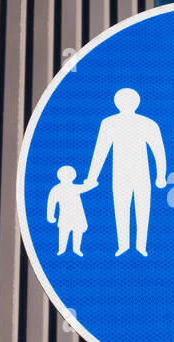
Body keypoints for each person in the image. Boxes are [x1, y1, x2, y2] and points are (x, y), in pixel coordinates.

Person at [85, 88, 167, 256]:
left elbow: (159, 151)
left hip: (141, 175)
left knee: (141, 209)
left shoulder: (148, 124)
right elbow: (100, 152)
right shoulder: (109, 123)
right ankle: (123, 245)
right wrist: (92, 177)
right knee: (122, 209)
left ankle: (141, 246)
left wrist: (161, 176)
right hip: (121, 175)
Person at [47, 166, 95, 255]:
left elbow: (85, 188)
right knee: (63, 232)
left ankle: (77, 249)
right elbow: (51, 203)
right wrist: (50, 216)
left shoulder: (74, 187)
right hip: (65, 216)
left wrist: (92, 184)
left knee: (78, 231)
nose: (68, 178)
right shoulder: (56, 189)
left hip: (77, 215)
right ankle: (61, 249)